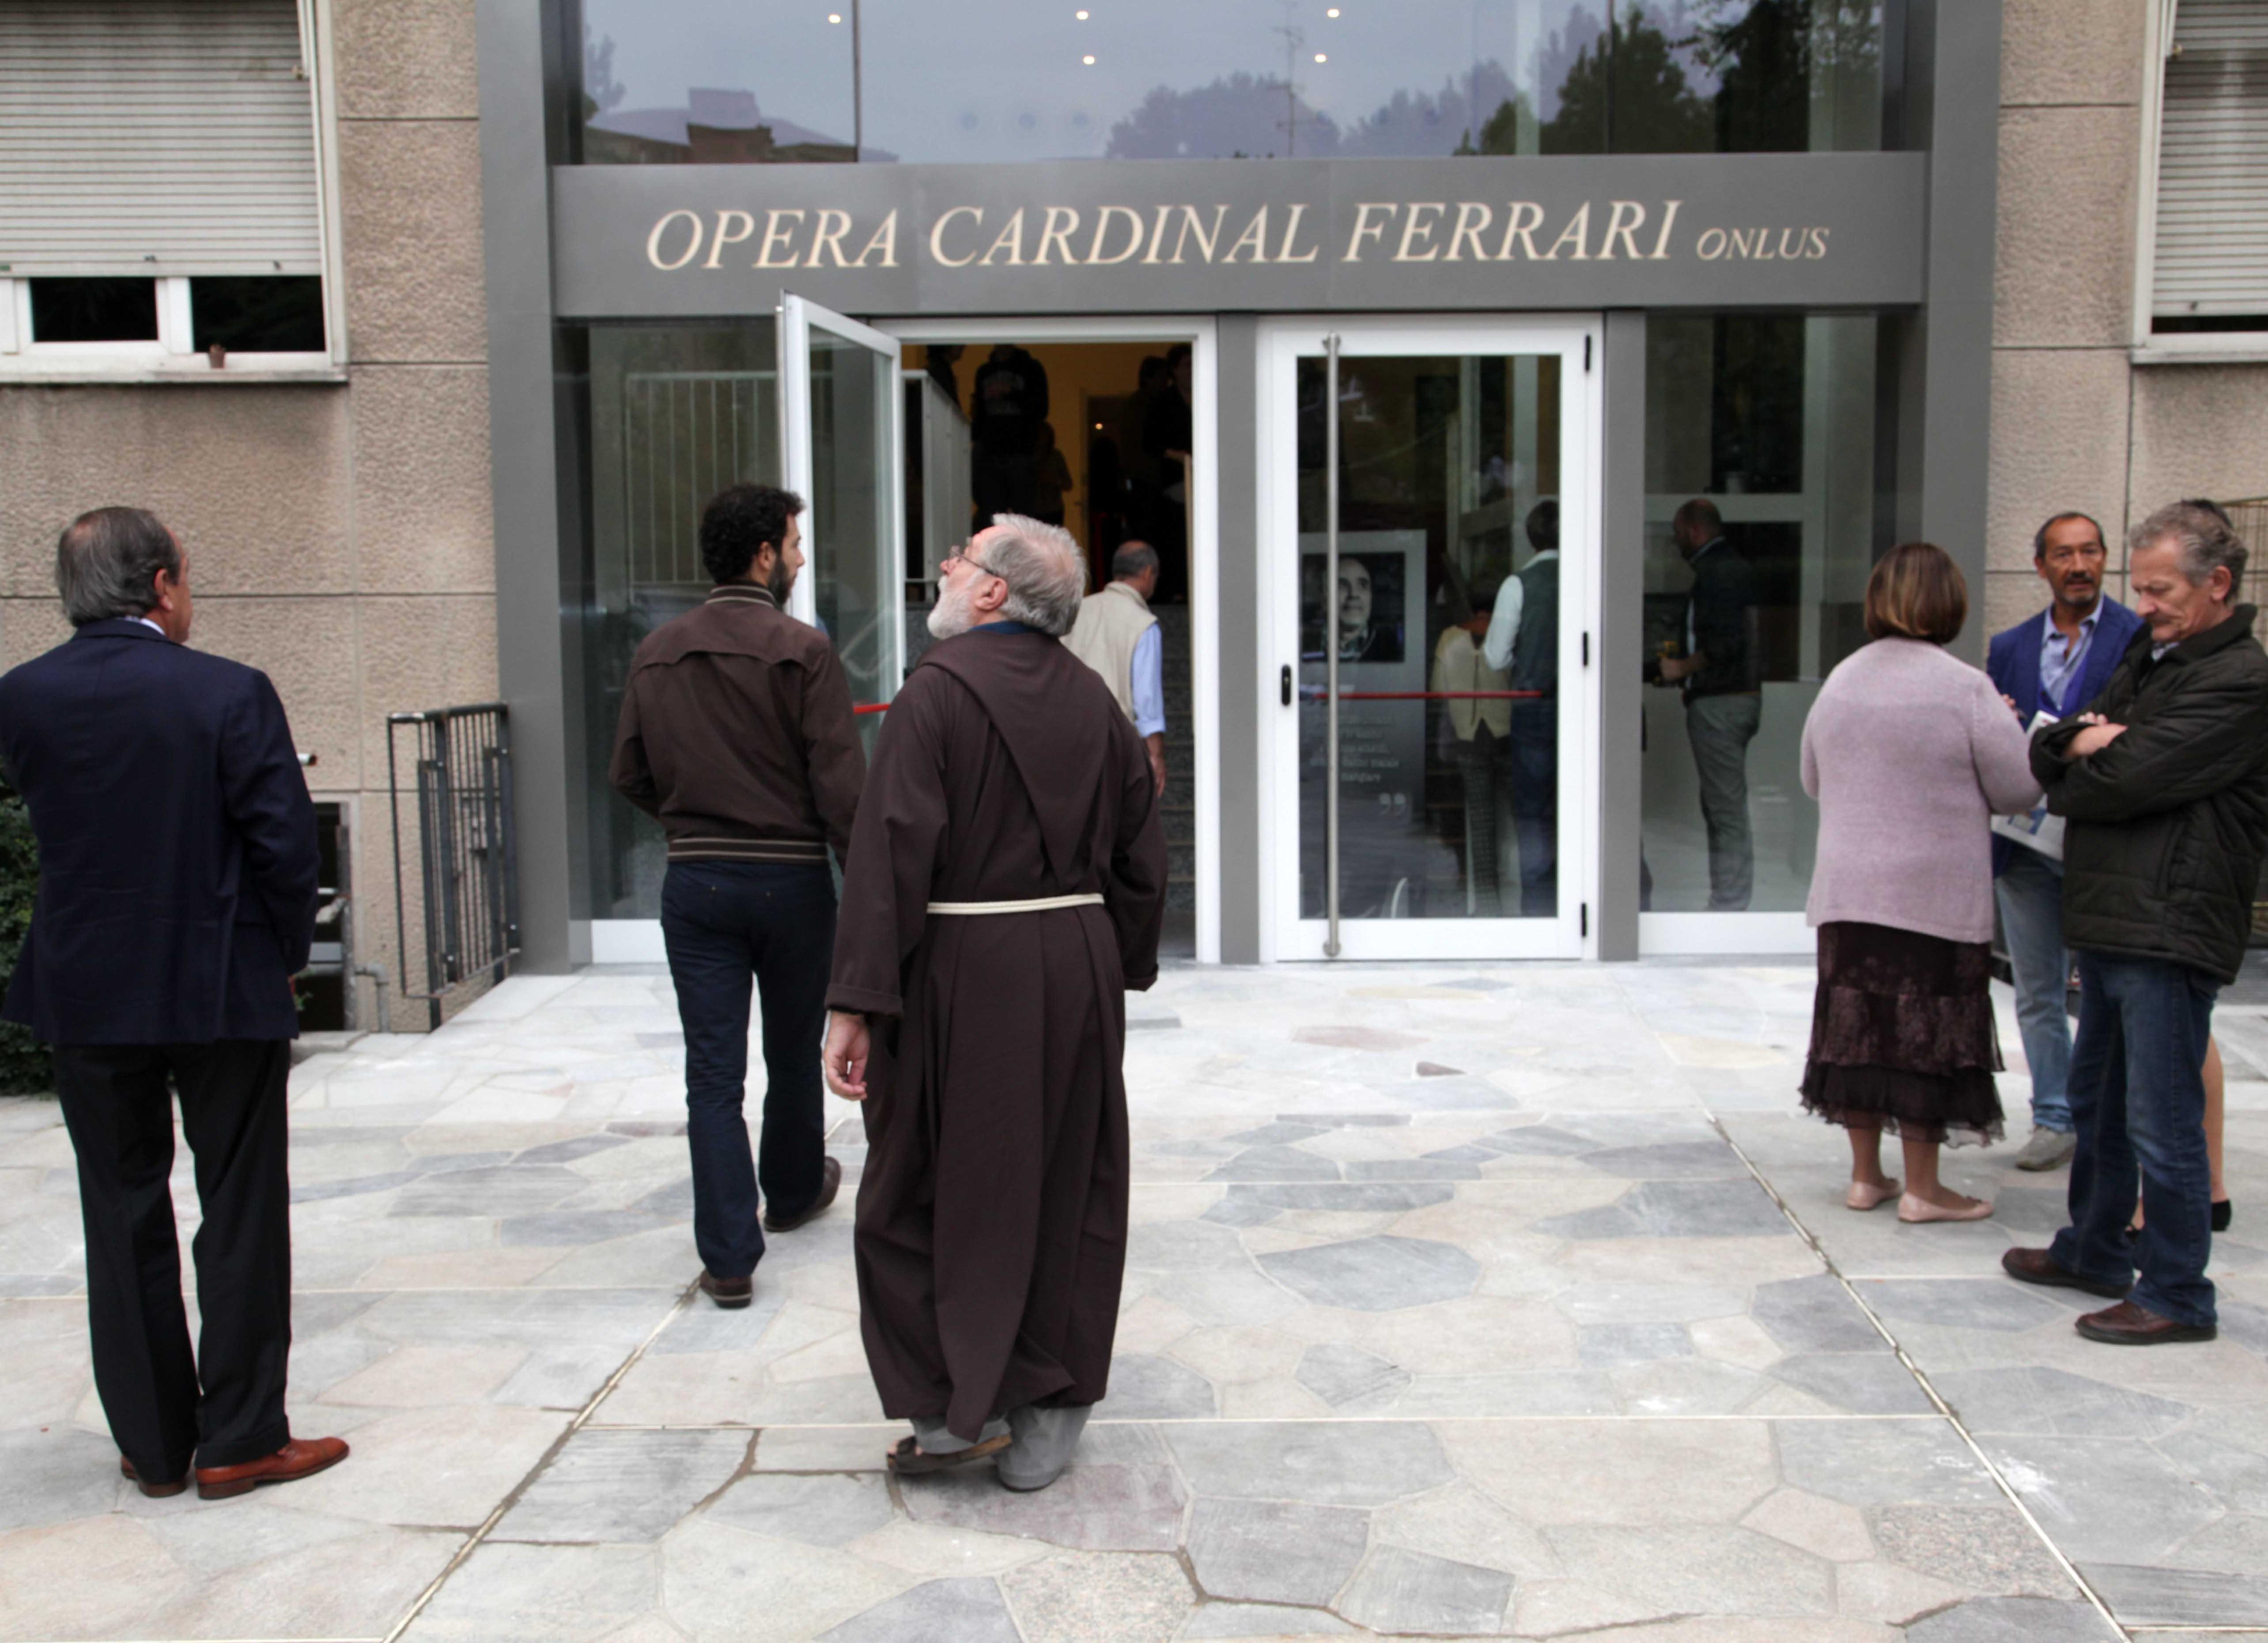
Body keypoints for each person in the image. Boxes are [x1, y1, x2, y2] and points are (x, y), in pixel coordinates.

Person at [0, 507, 345, 1501]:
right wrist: (283, 956)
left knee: (119, 1211)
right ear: (159, 584)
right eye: (187, 579)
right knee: (238, 1207)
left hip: (85, 987)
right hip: (218, 983)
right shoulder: (229, 691)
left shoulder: (21, 699)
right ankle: (239, 1436)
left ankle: (153, 1445)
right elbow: (286, 847)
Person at [822, 513, 1166, 1493]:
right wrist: (1118, 967)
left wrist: (854, 1005)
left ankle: (946, 1415)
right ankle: (1049, 1423)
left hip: (963, 966)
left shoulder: (934, 698)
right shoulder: (1098, 705)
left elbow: (889, 856)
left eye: (963, 556)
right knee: (1067, 1182)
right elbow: (1143, 853)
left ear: (991, 594)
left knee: (922, 1182)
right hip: (1076, 959)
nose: (944, 563)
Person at [2003, 501, 2268, 1345]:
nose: (2142, 604)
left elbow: (2120, 778)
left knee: (2161, 1114)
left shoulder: (2241, 681)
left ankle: (2178, 1294)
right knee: (2098, 1100)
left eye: (2160, 590)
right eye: (2140, 588)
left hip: (2170, 923)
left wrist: (2092, 753)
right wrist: (2083, 746)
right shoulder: (2148, 657)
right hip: (2113, 914)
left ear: (2217, 584)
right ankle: (2093, 1249)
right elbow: (2056, 754)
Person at [609, 484, 865, 1310]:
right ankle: (790, 1194)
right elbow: (842, 792)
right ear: (762, 555)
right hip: (791, 883)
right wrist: (865, 880)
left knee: (711, 1073)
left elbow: (630, 775)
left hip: (699, 883)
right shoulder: (804, 651)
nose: (798, 558)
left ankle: (728, 1256)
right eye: (793, 543)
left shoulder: (657, 653)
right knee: (790, 1052)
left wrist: (692, 824)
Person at [1798, 543, 2041, 1223]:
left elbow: (1812, 779)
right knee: (1927, 1038)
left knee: (1857, 1032)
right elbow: (2020, 787)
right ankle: (1925, 1189)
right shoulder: (1965, 687)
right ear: (1948, 603)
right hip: (1931, 896)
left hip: (1849, 892)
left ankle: (1865, 1177)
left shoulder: (1841, 678)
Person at [1986, 511, 2145, 1173]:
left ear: (2106, 558)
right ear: (2041, 566)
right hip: (2025, 847)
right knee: (2037, 989)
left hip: (2103, 846)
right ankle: (2055, 1116)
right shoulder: (2010, 646)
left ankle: (2111, 1119)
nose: (2078, 565)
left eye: (2090, 552)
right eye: (2063, 555)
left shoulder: (2139, 638)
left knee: (2111, 988)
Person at [1655, 499, 1761, 910]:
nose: (1677, 543)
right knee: (1722, 805)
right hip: (1734, 697)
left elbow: (1726, 644)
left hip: (1722, 701)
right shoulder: (1730, 568)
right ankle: (1726, 900)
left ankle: (1730, 906)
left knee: (1725, 808)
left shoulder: (1719, 574)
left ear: (1695, 532)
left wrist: (1681, 668)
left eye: (1679, 534)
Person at [1482, 500, 1562, 916]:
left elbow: (1495, 658)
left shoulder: (1519, 585)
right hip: (1588, 713)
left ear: (1531, 537)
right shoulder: (1591, 578)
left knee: (1535, 814)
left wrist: (1527, 659)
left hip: (1536, 711)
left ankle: (1540, 909)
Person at [1063, 539, 1169, 796]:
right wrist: (1155, 756)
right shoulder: (1144, 624)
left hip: (1066, 738)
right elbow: (1147, 700)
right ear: (1147, 574)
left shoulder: (1075, 612)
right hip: (1115, 746)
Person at [1432, 586, 1512, 914]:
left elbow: (1438, 690)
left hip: (1468, 740)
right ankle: (1529, 904)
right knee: (1520, 822)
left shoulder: (1449, 639)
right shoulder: (1507, 638)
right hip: (1508, 740)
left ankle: (1489, 905)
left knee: (1481, 826)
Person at [1143, 343, 1194, 602]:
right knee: (1176, 538)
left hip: (1205, 480)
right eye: (1186, 365)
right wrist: (1177, 455)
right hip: (1175, 483)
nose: (1192, 371)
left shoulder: (1208, 395)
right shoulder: (1164, 403)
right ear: (1175, 370)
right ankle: (1177, 591)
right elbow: (1150, 444)